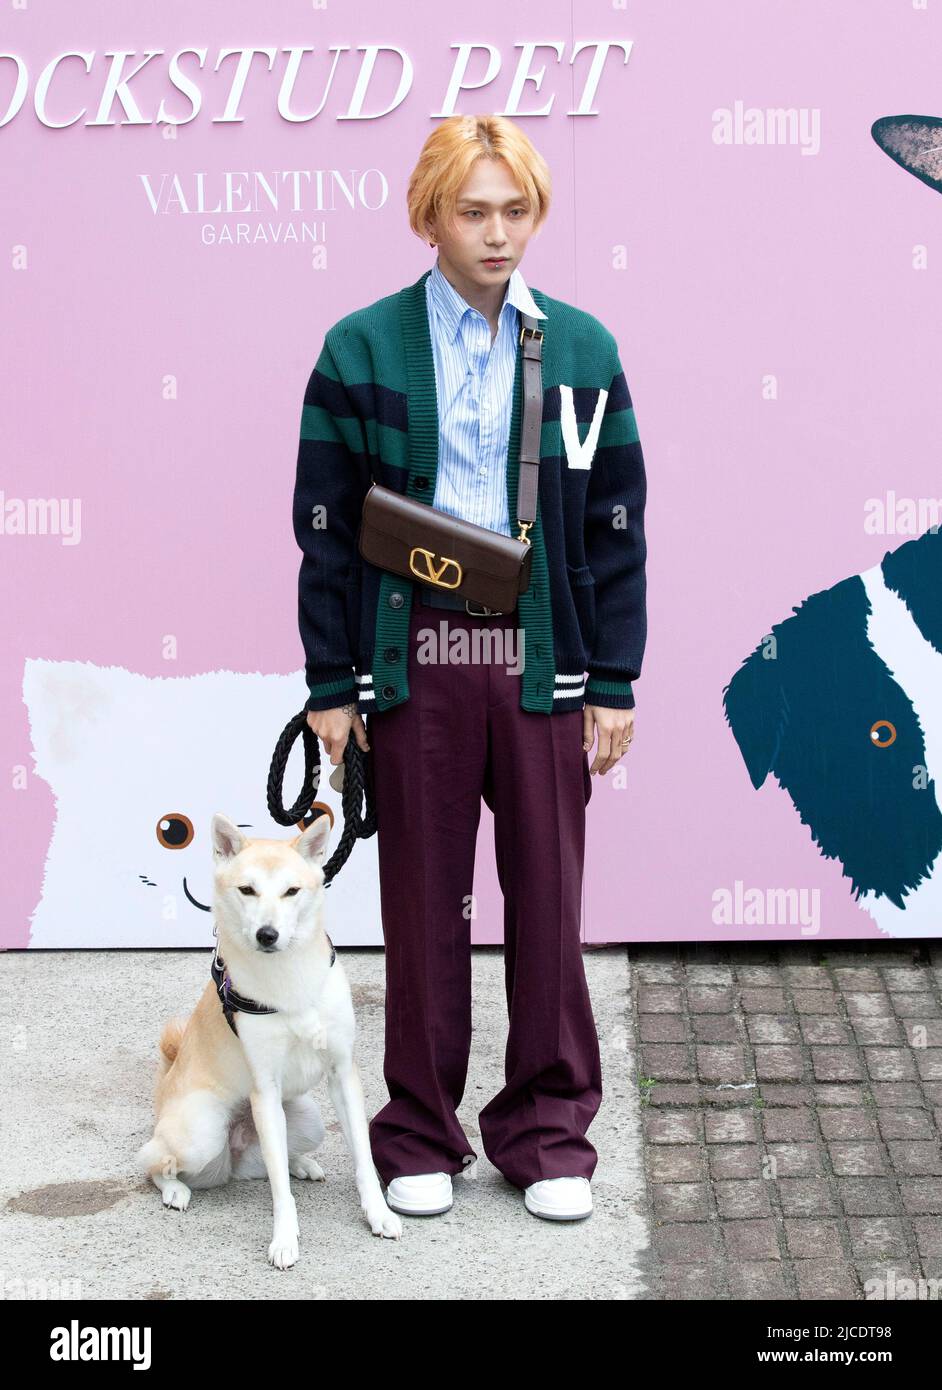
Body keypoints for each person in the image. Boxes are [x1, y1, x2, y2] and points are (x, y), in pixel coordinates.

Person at [293, 114, 647, 1222]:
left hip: (542, 657)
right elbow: (328, 528)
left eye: (516, 210)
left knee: (547, 900)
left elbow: (614, 525)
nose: (498, 234)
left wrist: (619, 676)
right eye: (473, 210)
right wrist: (332, 682)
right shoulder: (360, 347)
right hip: (417, 653)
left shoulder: (583, 348)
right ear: (430, 216)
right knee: (425, 905)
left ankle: (547, 1133)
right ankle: (419, 1131)